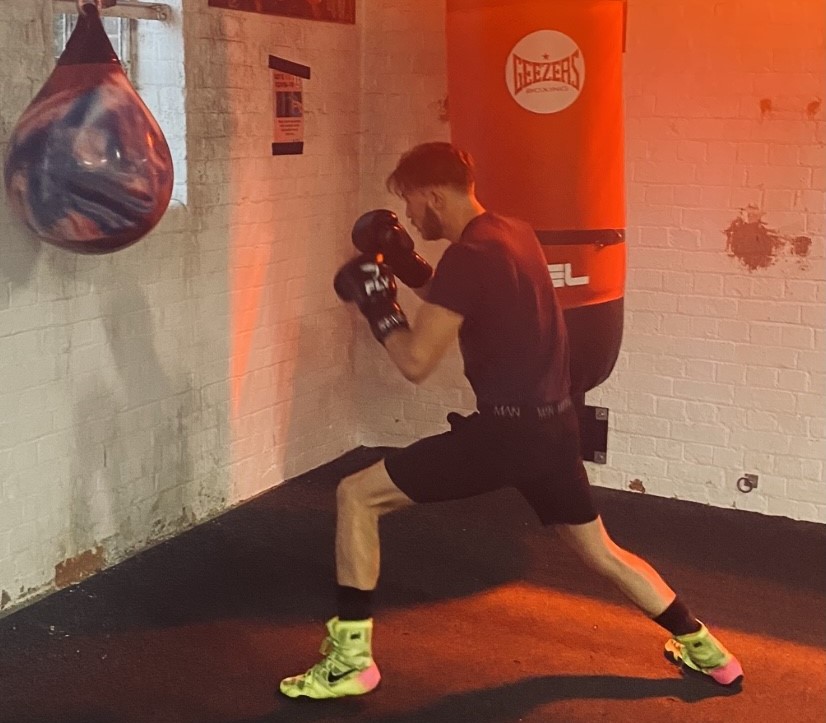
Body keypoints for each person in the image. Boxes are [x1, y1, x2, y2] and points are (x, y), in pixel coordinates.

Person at [279, 141, 743, 700]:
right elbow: (456, 293)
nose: (408, 215)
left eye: (408, 203)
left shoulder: (471, 256)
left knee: (357, 496)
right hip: (554, 427)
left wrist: (378, 305)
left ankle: (351, 662)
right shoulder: (512, 233)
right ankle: (708, 651)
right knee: (601, 552)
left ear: (431, 193)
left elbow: (416, 363)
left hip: (505, 434)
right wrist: (402, 261)